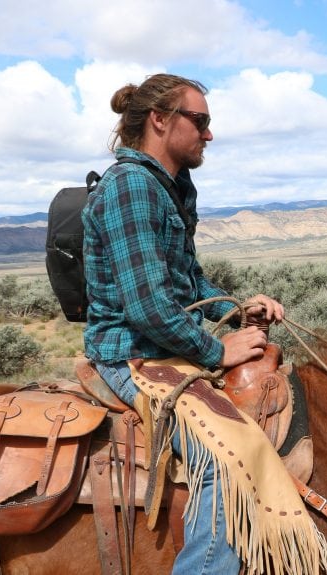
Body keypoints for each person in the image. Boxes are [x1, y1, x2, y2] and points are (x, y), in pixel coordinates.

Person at [83, 73, 283, 574]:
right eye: (201, 122)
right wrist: (219, 352)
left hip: (160, 347)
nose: (209, 135)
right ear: (160, 120)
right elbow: (148, 306)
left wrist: (236, 313)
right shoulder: (131, 186)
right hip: (129, 353)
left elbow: (187, 281)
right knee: (228, 463)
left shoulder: (171, 185)